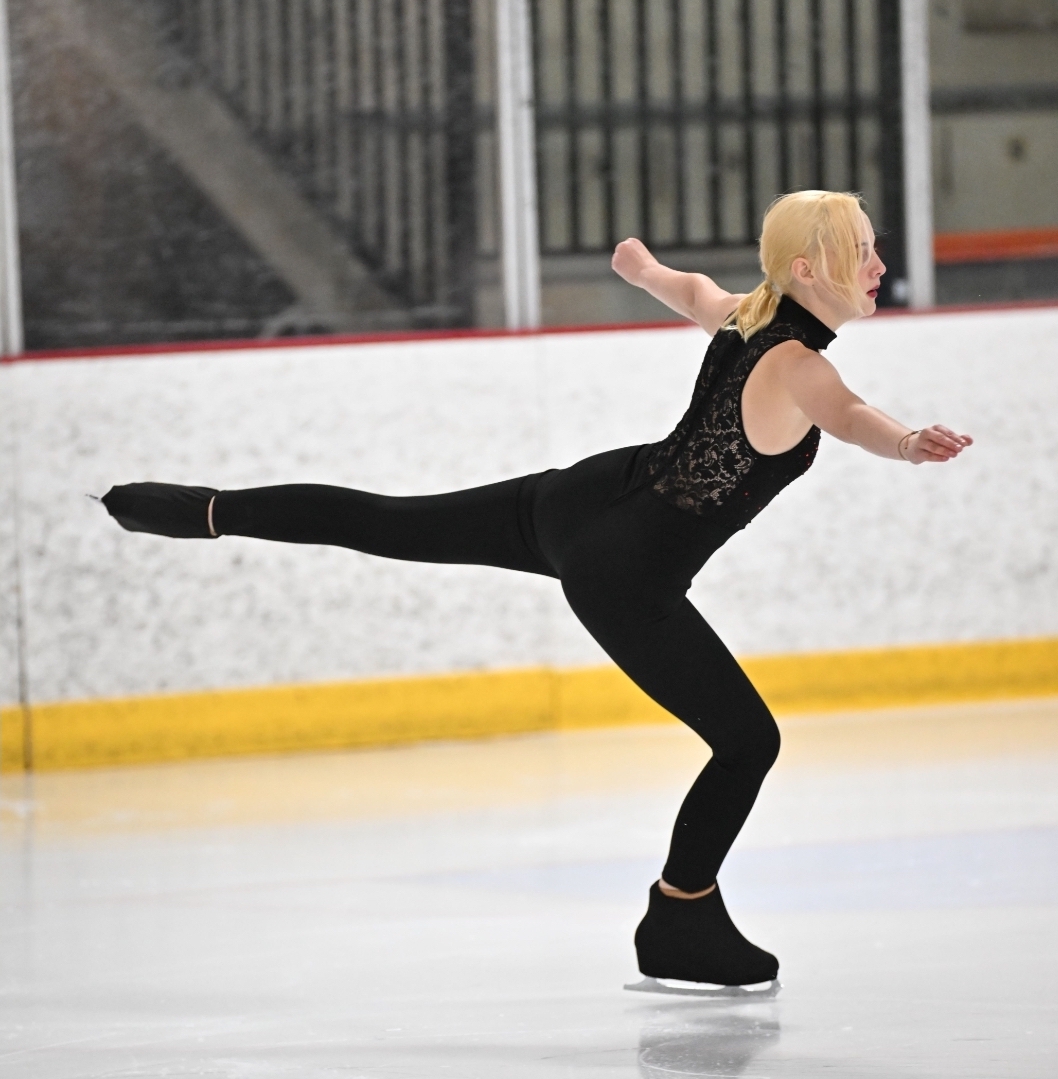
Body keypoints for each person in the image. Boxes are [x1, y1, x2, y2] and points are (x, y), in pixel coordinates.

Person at [101, 190, 972, 989]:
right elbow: (853, 415)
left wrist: (639, 267)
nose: (878, 265)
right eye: (861, 250)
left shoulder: (746, 318)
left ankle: (198, 510)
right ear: (807, 271)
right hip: (625, 573)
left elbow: (693, 290)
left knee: (390, 521)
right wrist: (906, 444)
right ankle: (679, 916)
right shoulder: (801, 368)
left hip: (577, 501)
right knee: (748, 742)